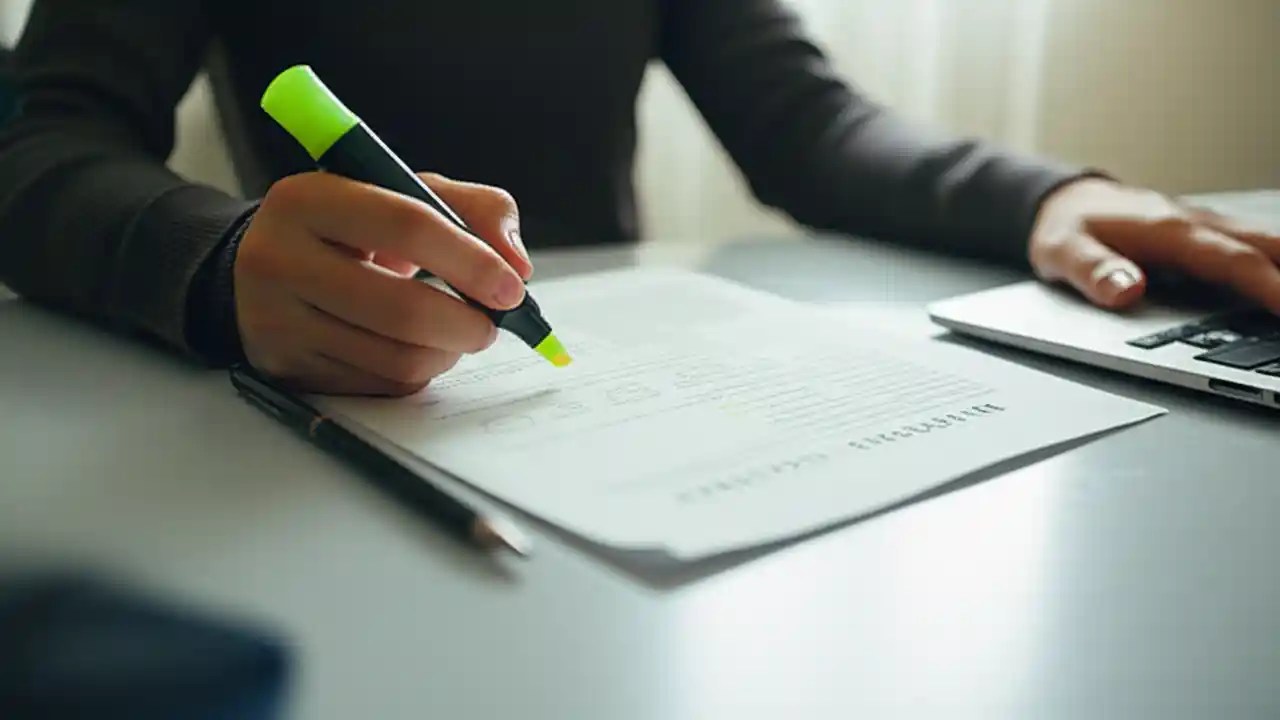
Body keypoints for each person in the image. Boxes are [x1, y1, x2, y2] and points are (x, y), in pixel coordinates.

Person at [0, 0, 1276, 396]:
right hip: (326, 393)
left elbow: (805, 124)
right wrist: (214, 258)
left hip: (602, 374)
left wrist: (1041, 198)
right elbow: (40, 136)